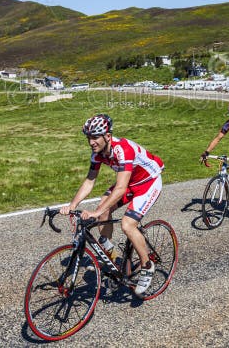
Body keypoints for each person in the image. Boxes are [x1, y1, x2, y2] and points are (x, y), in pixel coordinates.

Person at [60, 114, 163, 297]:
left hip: (148, 182)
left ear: (107, 136)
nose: (91, 142)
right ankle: (112, 256)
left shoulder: (122, 150)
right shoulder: (97, 153)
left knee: (127, 224)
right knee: (102, 213)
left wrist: (97, 211)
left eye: (95, 137)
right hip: (131, 182)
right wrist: (72, 205)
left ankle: (147, 266)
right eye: (88, 138)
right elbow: (90, 181)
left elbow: (121, 188)